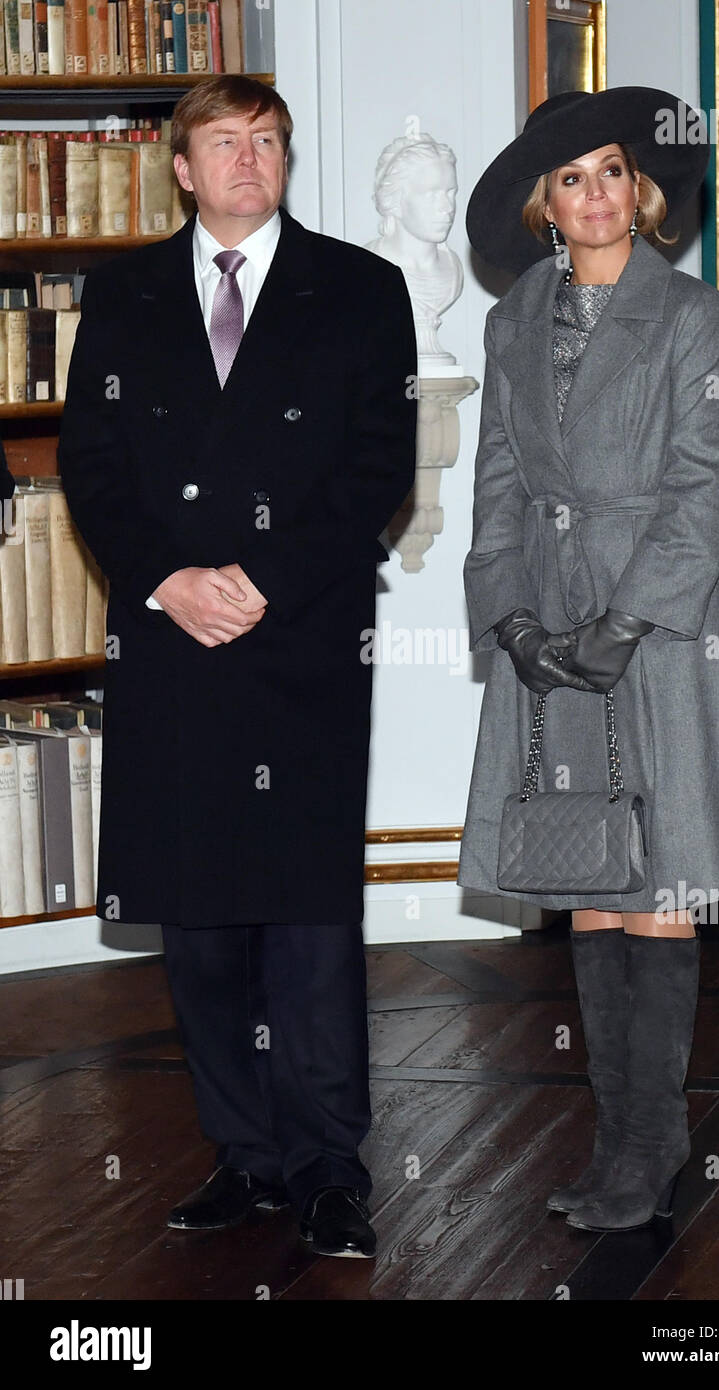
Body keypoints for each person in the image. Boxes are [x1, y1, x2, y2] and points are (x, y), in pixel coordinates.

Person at [58, 75, 417, 1259]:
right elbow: (93, 471)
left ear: (285, 158)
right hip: (172, 642)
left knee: (308, 922)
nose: (247, 160)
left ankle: (326, 1167)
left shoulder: (362, 291)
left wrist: (259, 580)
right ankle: (243, 1155)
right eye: (224, 142)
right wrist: (170, 582)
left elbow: (376, 472)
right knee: (200, 923)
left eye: (266, 140)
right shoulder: (119, 299)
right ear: (181, 165)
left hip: (303, 638)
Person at [459, 87, 719, 1231]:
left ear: (639, 191)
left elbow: (702, 489)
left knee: (658, 895)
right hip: (547, 640)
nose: (594, 193)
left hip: (658, 640)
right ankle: (616, 1147)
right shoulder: (510, 326)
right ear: (542, 206)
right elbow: (496, 489)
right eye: (571, 178)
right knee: (588, 894)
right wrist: (507, 621)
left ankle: (651, 1154)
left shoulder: (689, 314)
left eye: (610, 171)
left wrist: (620, 626)